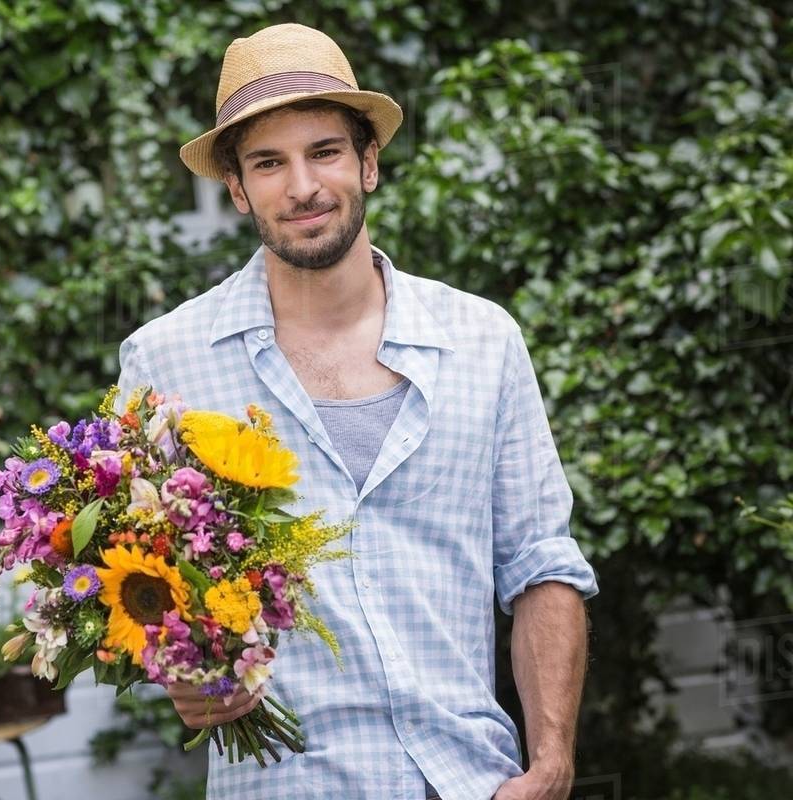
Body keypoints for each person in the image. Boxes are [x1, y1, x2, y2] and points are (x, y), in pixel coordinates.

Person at [113, 23, 599, 800]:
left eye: (325, 152)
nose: (302, 186)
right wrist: (182, 674)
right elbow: (138, 586)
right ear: (236, 189)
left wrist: (550, 764)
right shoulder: (166, 362)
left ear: (369, 163)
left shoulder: (482, 340)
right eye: (268, 163)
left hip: (469, 778)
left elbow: (540, 563)